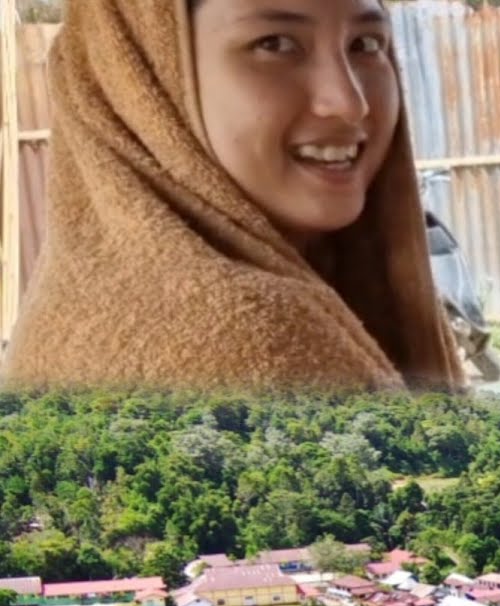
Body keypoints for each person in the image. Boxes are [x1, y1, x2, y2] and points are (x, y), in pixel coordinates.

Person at [0, 0, 467, 393]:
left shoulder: (87, 306)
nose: (348, 101)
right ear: (144, 78)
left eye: (365, 45)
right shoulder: (252, 349)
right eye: (275, 44)